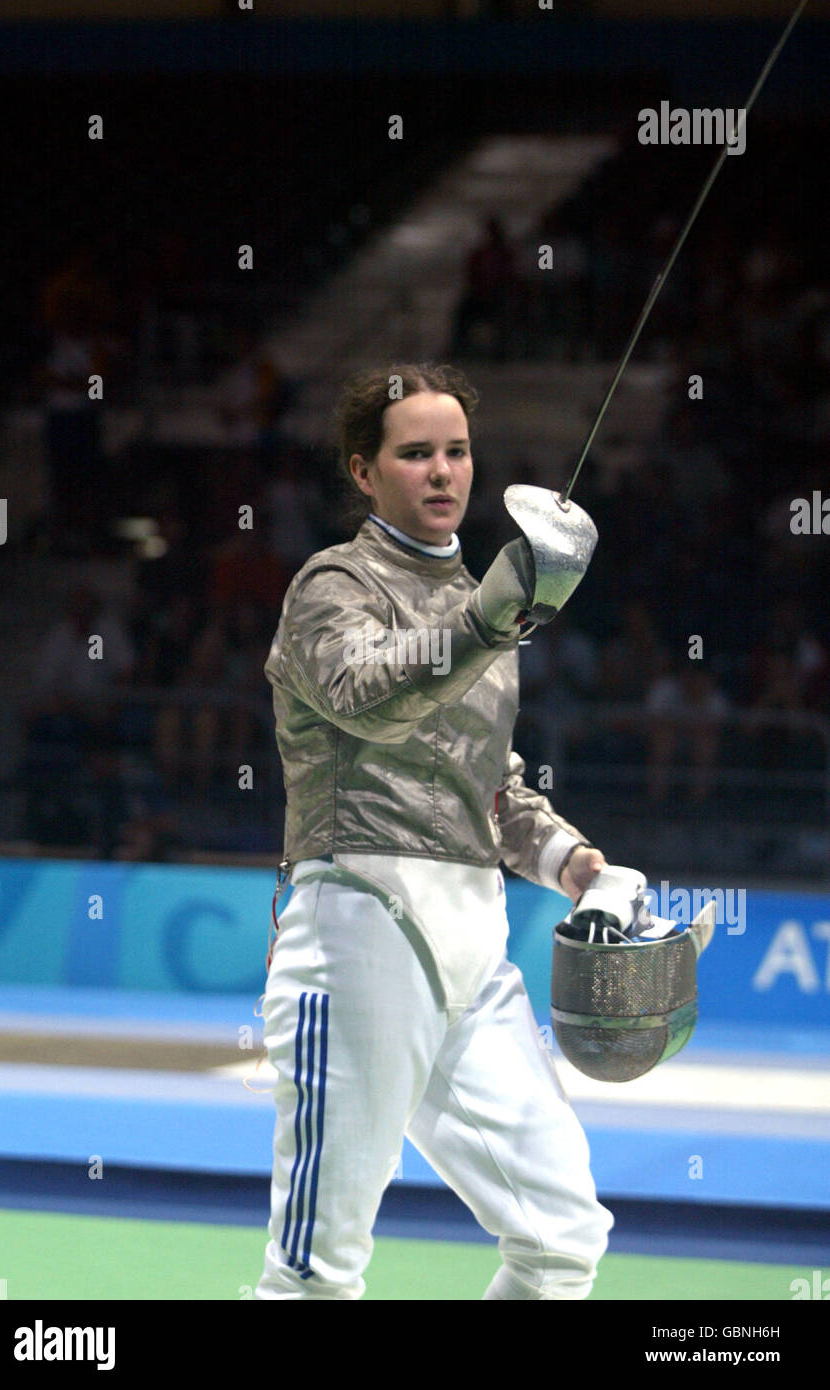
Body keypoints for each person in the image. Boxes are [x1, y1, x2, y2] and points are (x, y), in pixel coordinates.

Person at [256, 362, 613, 1300]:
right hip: (359, 932)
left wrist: (571, 860)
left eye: (456, 451)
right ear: (364, 473)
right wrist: (496, 613)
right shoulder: (332, 586)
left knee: (561, 1233)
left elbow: (488, 786)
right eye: (415, 453)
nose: (444, 472)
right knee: (317, 1269)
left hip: (474, 952)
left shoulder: (479, 613)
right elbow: (368, 697)